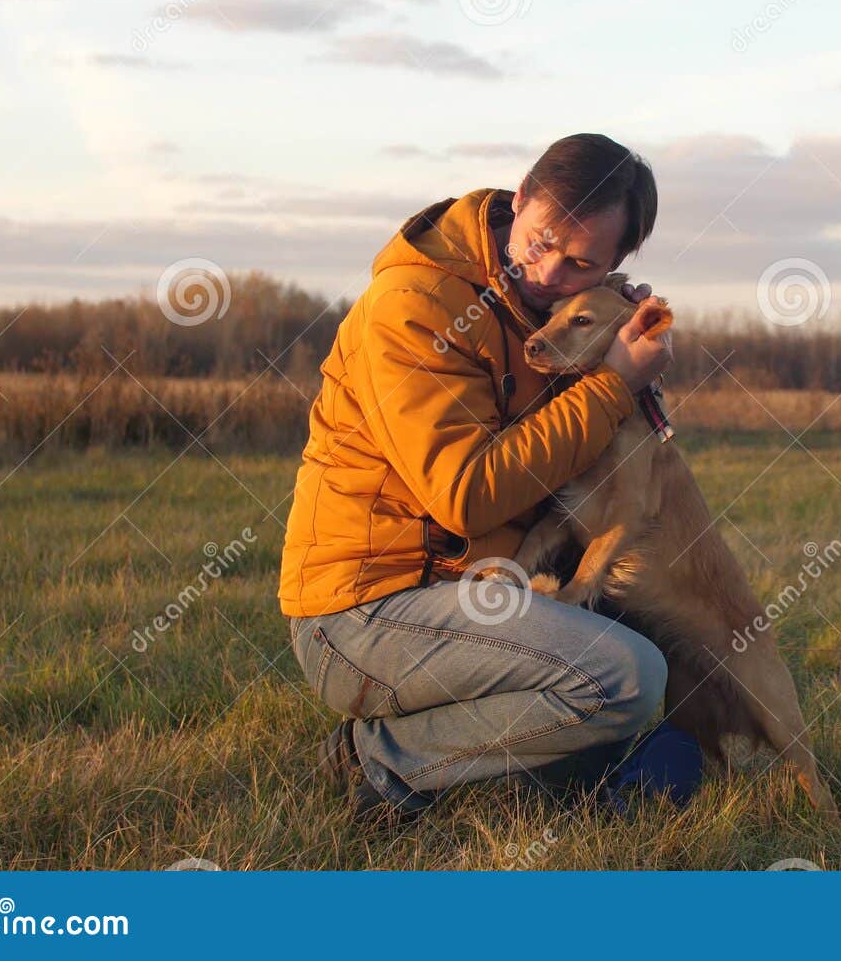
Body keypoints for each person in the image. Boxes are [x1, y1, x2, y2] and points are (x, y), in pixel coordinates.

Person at [279, 134, 700, 823]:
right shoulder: (412, 307)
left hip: (481, 588)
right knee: (627, 677)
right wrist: (612, 386)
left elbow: (590, 471)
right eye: (539, 243)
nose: (546, 272)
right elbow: (465, 495)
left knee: (653, 641)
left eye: (580, 265)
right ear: (521, 198)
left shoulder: (549, 314)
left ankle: (576, 764)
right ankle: (383, 754)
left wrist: (614, 335)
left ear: (611, 267)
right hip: (365, 614)